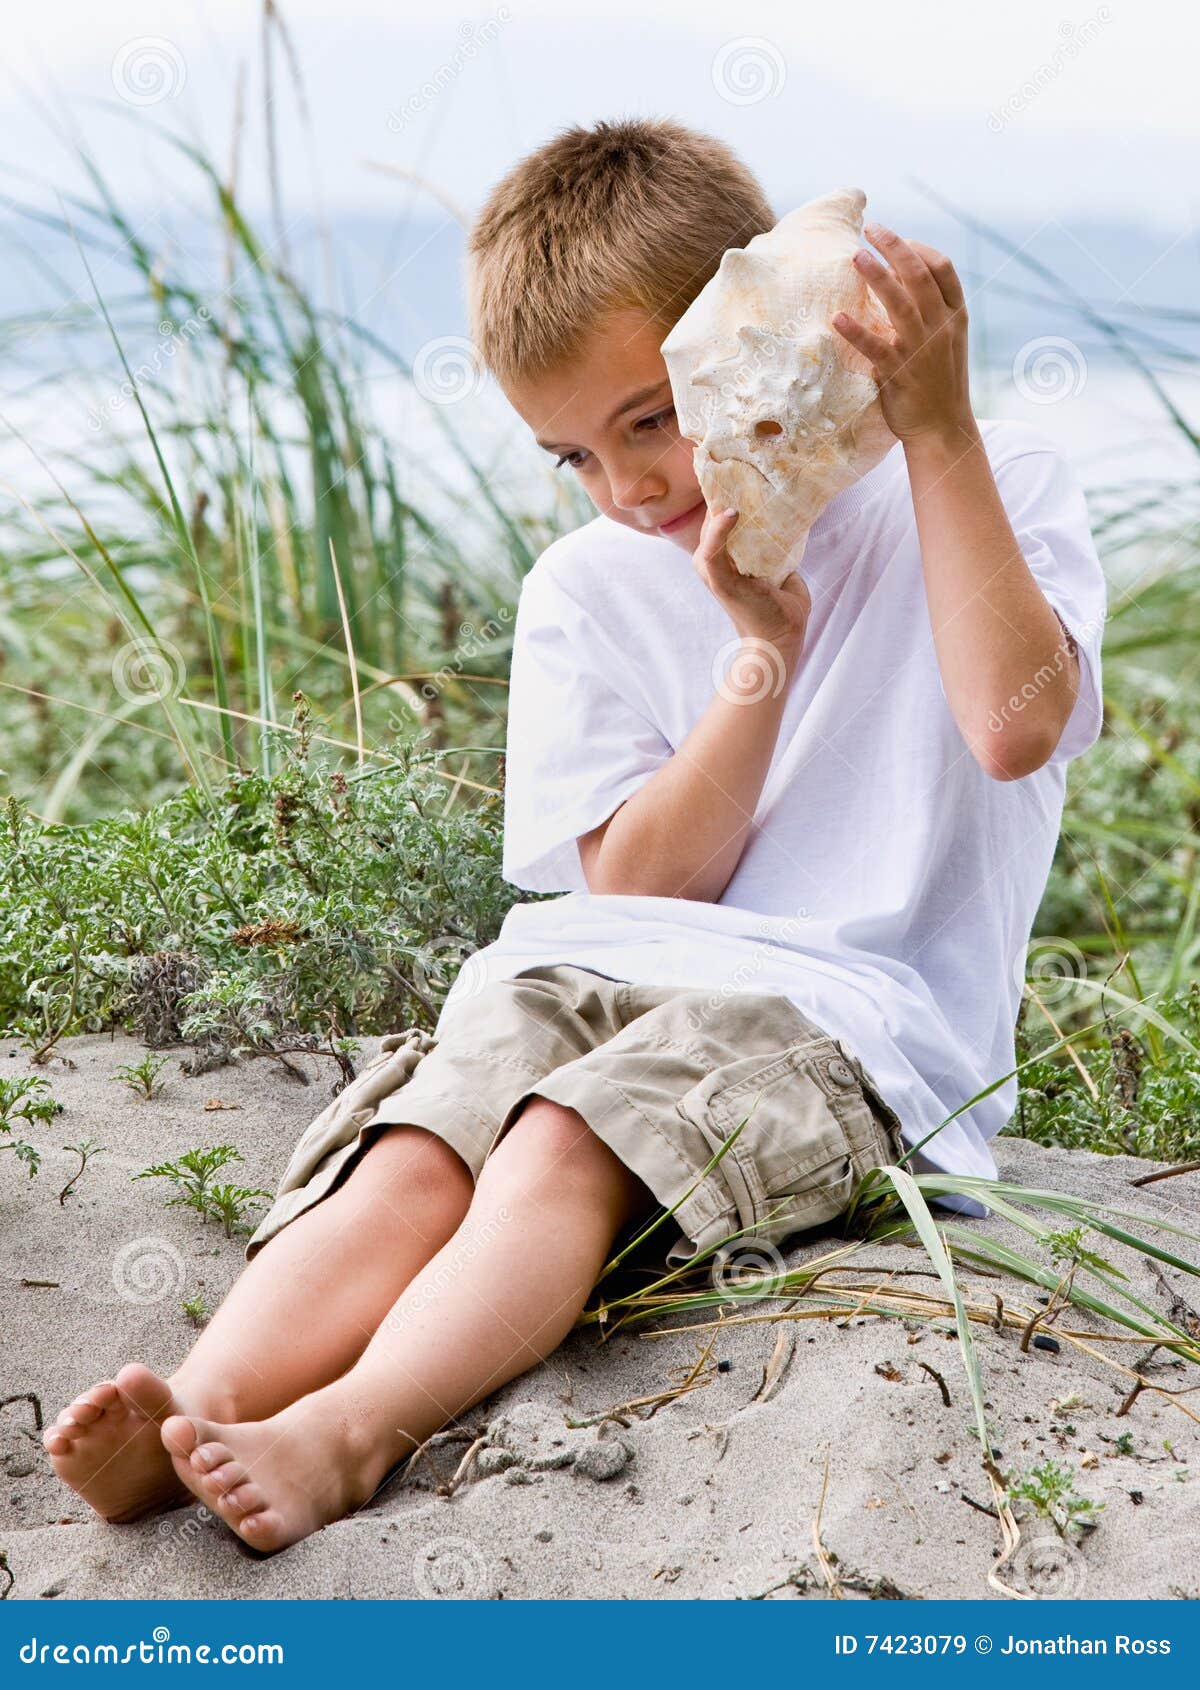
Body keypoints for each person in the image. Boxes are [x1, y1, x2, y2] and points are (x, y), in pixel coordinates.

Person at [43, 118, 1105, 1553]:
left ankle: (348, 1430)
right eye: (573, 457)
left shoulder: (980, 479)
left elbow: (1013, 727)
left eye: (652, 420)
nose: (629, 492)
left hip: (851, 1017)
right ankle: (201, 1402)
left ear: (749, 340)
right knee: (429, 1138)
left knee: (560, 1134)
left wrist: (943, 429)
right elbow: (643, 881)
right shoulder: (590, 588)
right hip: (597, 958)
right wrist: (760, 658)